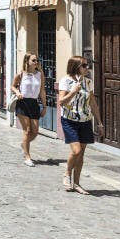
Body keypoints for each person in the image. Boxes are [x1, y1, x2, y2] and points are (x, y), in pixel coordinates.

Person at [58, 55, 104, 195]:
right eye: (84, 65)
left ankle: (77, 183)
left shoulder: (88, 82)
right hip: (69, 120)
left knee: (81, 154)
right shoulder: (65, 81)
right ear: (76, 67)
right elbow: (61, 102)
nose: (87, 68)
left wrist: (99, 123)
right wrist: (73, 91)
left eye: (87, 65)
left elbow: (93, 103)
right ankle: (67, 173)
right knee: (76, 151)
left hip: (85, 120)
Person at [11, 53, 47, 167]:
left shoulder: (40, 75)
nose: (36, 62)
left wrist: (45, 106)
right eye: (34, 60)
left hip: (34, 104)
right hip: (23, 103)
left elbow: (42, 91)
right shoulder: (21, 74)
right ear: (27, 62)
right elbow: (13, 86)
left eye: (37, 60)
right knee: (26, 130)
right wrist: (17, 92)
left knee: (35, 132)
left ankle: (24, 145)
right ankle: (27, 157)